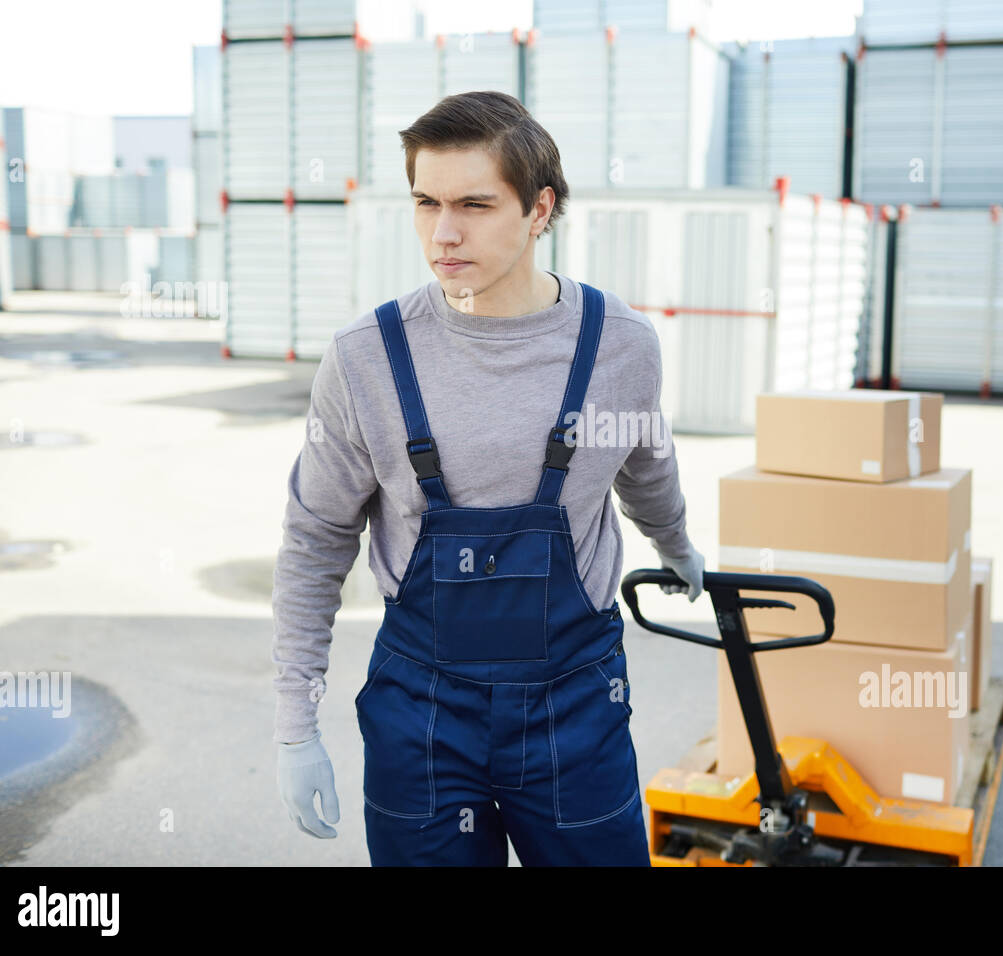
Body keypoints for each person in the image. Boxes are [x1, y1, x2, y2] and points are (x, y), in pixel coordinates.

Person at [271, 89, 706, 865]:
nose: (443, 232)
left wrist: (676, 546)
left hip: (577, 703)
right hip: (422, 712)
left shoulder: (622, 346)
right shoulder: (366, 358)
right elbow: (316, 540)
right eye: (426, 202)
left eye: (474, 204)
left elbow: (645, 466)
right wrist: (294, 727)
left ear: (539, 211)